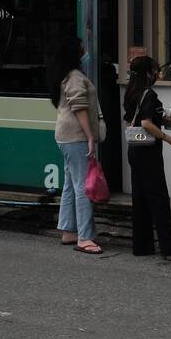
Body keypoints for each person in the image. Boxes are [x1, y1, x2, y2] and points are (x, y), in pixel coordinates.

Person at [124, 56, 171, 261]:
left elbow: (132, 123)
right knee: (159, 200)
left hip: (134, 150)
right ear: (148, 73)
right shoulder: (149, 95)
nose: (158, 74)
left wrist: (157, 124)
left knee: (140, 199)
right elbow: (146, 123)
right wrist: (168, 138)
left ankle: (142, 246)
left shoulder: (131, 92)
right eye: (155, 70)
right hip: (148, 154)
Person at [50, 36, 103, 254]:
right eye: (82, 48)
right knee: (84, 186)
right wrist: (90, 135)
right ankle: (85, 237)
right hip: (76, 136)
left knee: (71, 184)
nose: (85, 51)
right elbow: (79, 107)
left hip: (65, 136)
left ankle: (69, 230)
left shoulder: (65, 75)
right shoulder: (74, 77)